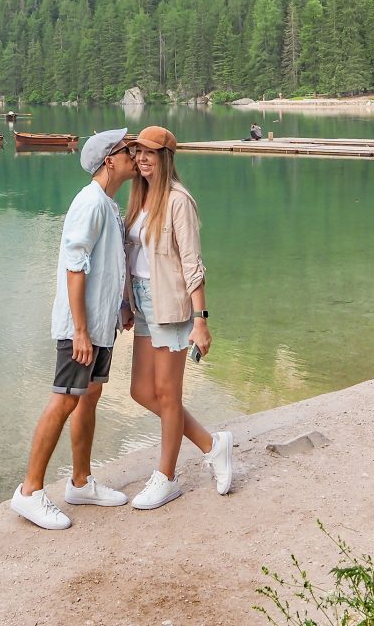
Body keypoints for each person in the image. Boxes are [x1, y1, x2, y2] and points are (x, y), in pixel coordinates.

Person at [11, 127, 139, 530]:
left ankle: (80, 482)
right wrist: (80, 331)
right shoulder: (90, 203)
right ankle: (29, 492)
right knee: (64, 399)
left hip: (102, 324)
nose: (135, 154)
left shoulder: (108, 204)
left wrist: (122, 306)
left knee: (89, 397)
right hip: (80, 326)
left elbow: (107, 265)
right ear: (109, 160)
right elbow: (74, 265)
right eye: (128, 149)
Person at [124, 125, 233, 509]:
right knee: (141, 391)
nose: (142, 158)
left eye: (150, 153)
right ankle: (212, 444)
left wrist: (201, 320)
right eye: (138, 152)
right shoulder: (139, 196)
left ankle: (166, 477)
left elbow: (193, 264)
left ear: (167, 157)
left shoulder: (178, 200)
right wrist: (125, 301)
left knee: (169, 395)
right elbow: (132, 256)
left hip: (170, 305)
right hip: (141, 305)